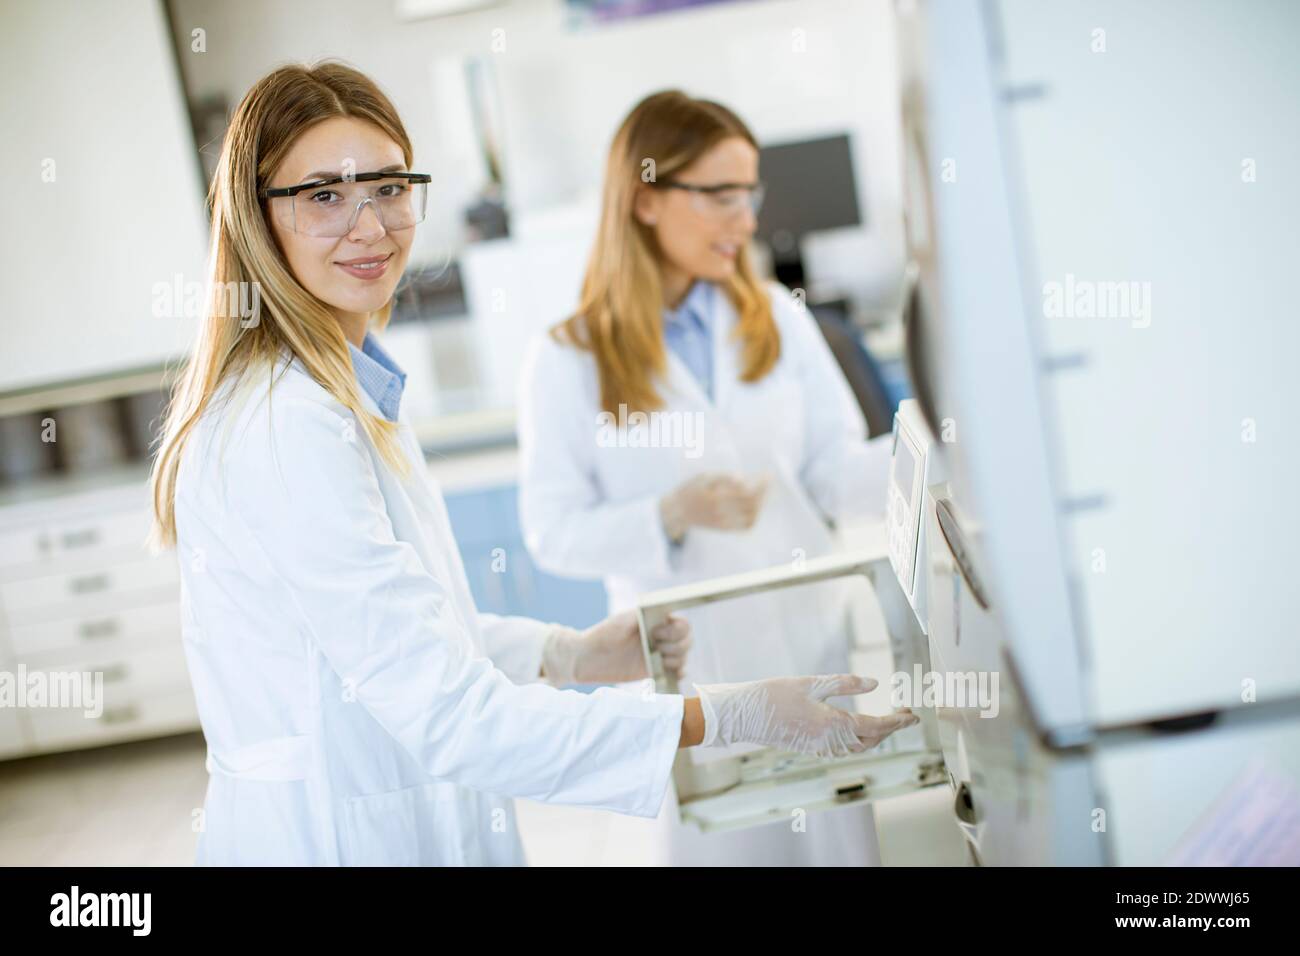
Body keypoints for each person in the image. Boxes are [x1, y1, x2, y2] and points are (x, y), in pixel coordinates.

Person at [146, 63, 916, 866]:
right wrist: (728, 715)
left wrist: (565, 655)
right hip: (338, 837)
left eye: (387, 187)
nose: (371, 226)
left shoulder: (346, 389)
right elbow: (448, 710)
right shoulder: (286, 427)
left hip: (419, 809)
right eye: (324, 197)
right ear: (256, 217)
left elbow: (410, 638)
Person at [518, 91, 895, 866]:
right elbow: (552, 531)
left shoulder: (778, 320)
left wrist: (931, 452)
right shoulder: (566, 359)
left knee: (837, 851)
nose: (747, 220)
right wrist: (669, 514)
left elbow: (834, 476)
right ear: (647, 199)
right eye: (722, 195)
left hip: (804, 638)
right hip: (685, 675)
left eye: (748, 195)